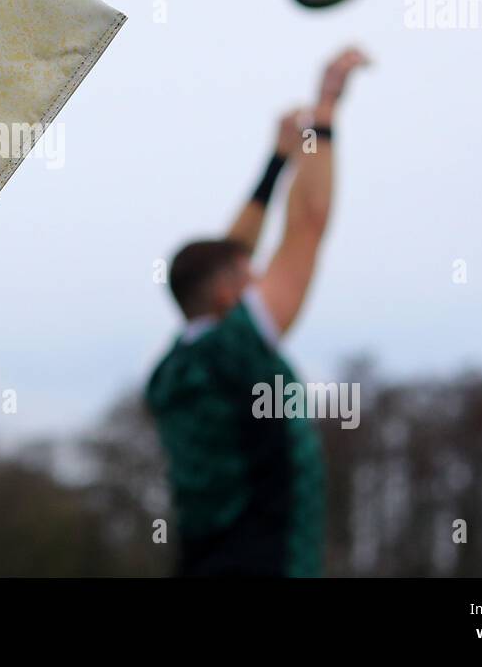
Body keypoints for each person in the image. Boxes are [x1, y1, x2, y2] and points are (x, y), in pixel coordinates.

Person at [146, 46, 369, 576]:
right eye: (251, 279)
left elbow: (227, 255)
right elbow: (308, 225)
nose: (259, 278)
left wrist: (278, 160)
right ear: (228, 298)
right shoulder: (235, 347)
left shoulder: (171, 370)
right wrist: (325, 116)